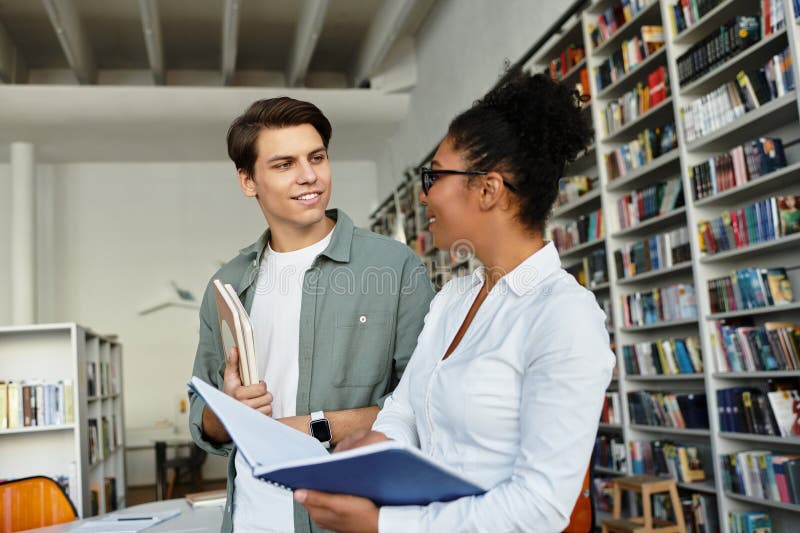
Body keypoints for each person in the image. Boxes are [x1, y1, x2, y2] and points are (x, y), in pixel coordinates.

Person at [293, 71, 615, 532]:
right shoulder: (454, 298)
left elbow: (541, 506)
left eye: (435, 176)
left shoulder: (564, 316)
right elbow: (404, 409)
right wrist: (373, 446)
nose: (424, 194)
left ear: (488, 189)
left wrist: (386, 526)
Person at [188, 97, 435, 533]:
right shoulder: (227, 284)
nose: (309, 176)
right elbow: (201, 414)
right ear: (248, 181)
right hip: (249, 517)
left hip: (345, 518)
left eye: (316, 157)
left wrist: (316, 427)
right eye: (284, 164)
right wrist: (226, 411)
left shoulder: (395, 268)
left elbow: (429, 406)